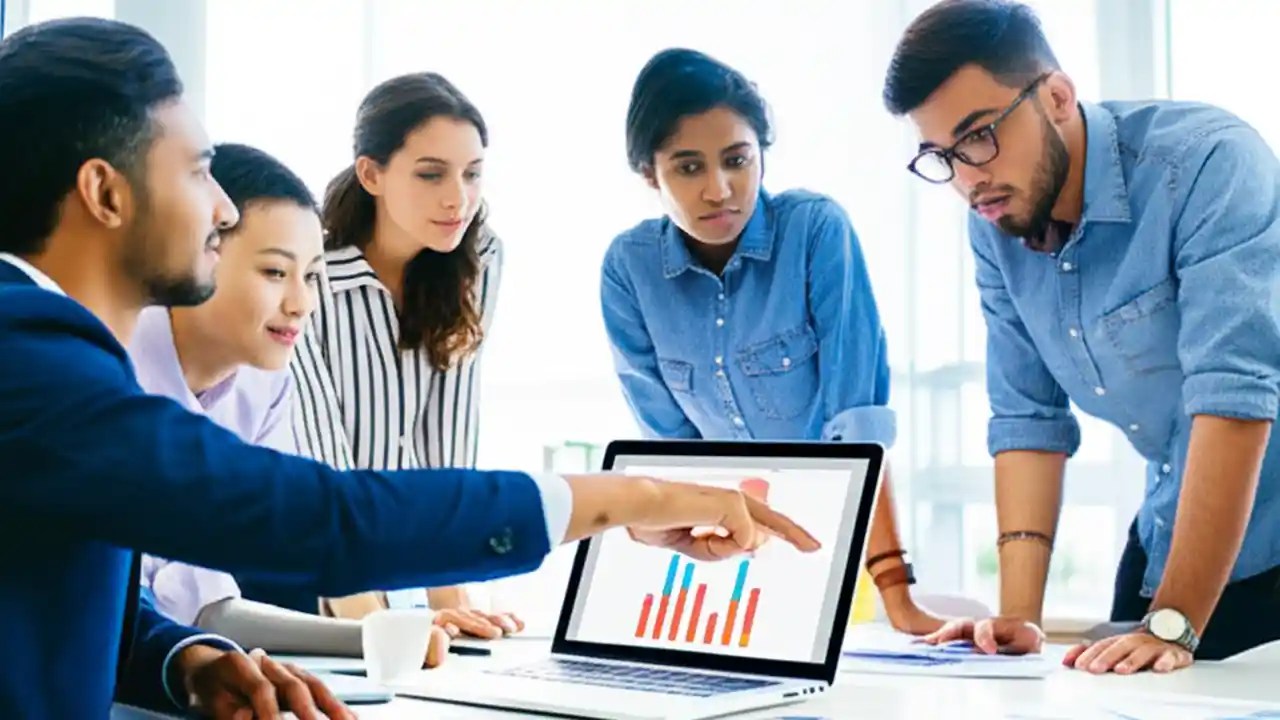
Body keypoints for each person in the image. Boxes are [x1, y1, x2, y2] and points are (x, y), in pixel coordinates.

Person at [0, 18, 820, 718]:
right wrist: (626, 499)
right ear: (105, 194)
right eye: (196, 170)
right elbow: (319, 516)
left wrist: (185, 664)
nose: (221, 207)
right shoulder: (26, 353)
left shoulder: (48, 354)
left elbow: (79, 591)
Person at [883, 0, 1280, 673]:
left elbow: (1233, 395)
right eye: (941, 156)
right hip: (1173, 532)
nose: (968, 177)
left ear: (1058, 96)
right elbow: (1027, 420)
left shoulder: (1208, 163)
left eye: (978, 136)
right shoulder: (994, 222)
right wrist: (1020, 619)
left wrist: (1174, 624)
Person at [601, 47, 944, 635]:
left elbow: (858, 426)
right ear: (647, 174)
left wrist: (897, 595)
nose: (720, 189)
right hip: (717, 550)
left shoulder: (814, 231)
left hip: (840, 539)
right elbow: (671, 449)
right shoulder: (628, 270)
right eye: (688, 167)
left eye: (738, 159)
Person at [128, 141, 451, 668]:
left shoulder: (264, 384)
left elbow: (205, 599)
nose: (300, 303)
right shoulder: (109, 368)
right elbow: (141, 610)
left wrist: (383, 634)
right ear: (197, 252)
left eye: (313, 276)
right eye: (276, 273)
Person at [246, 72, 518, 637]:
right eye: (431, 174)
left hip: (390, 566)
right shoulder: (308, 271)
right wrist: (376, 627)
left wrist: (453, 597)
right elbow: (322, 468)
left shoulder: (480, 257)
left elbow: (449, 440)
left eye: (472, 174)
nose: (458, 198)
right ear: (372, 173)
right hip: (293, 564)